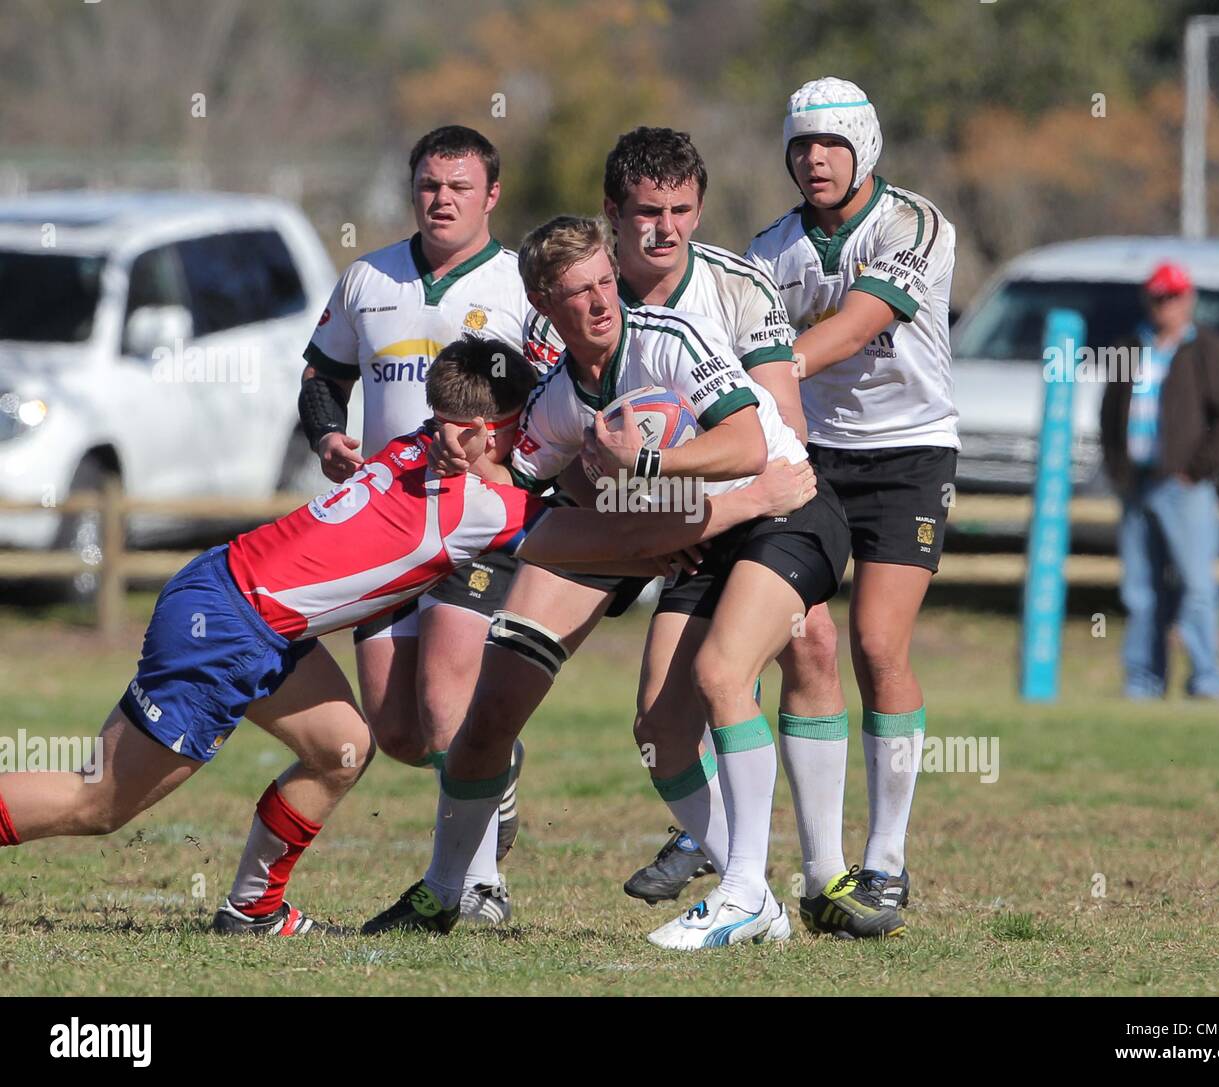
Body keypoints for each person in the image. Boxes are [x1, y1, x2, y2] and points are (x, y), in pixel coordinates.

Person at [0, 337, 815, 936]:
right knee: (98, 801)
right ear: (464, 432)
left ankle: (252, 907)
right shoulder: (472, 503)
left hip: (250, 610)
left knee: (341, 747)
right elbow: (593, 538)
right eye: (488, 435)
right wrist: (748, 499)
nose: (497, 449)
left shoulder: (423, 448)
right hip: (223, 623)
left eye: (500, 435)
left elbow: (579, 523)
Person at [364, 217, 851, 949]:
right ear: (542, 304)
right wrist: (457, 463)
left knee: (723, 674)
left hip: (781, 508)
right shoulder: (558, 396)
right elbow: (521, 496)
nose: (599, 303)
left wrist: (646, 471)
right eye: (576, 293)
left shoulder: (668, 338)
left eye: (602, 283)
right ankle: (448, 886)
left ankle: (754, 887)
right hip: (692, 534)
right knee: (618, 723)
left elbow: (749, 441)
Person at [297, 125, 561, 922]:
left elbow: (556, 400)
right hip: (383, 523)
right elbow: (321, 376)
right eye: (429, 185)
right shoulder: (366, 278)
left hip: (477, 522)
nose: (441, 199)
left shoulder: (524, 288)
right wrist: (328, 437)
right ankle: (498, 764)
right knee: (401, 730)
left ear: (492, 196)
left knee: (451, 707)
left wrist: (510, 468)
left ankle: (479, 886)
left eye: (459, 186)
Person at [746, 77, 960, 937]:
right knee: (806, 636)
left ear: (865, 147)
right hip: (817, 455)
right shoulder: (769, 249)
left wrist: (780, 364)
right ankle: (823, 866)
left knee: (878, 640)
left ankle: (889, 859)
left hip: (911, 452)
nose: (815, 160)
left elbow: (869, 316)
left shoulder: (914, 222)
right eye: (801, 145)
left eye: (831, 144)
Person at [1100, 261, 1219, 700]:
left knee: (1197, 585)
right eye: (1159, 296)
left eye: (1174, 296)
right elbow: (1108, 414)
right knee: (1141, 590)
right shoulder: (1130, 345)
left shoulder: (1207, 349)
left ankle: (1205, 681)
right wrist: (1118, 470)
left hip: (1184, 486)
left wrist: (1195, 470)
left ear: (1189, 298)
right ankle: (1143, 681)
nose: (1166, 305)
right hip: (1137, 483)